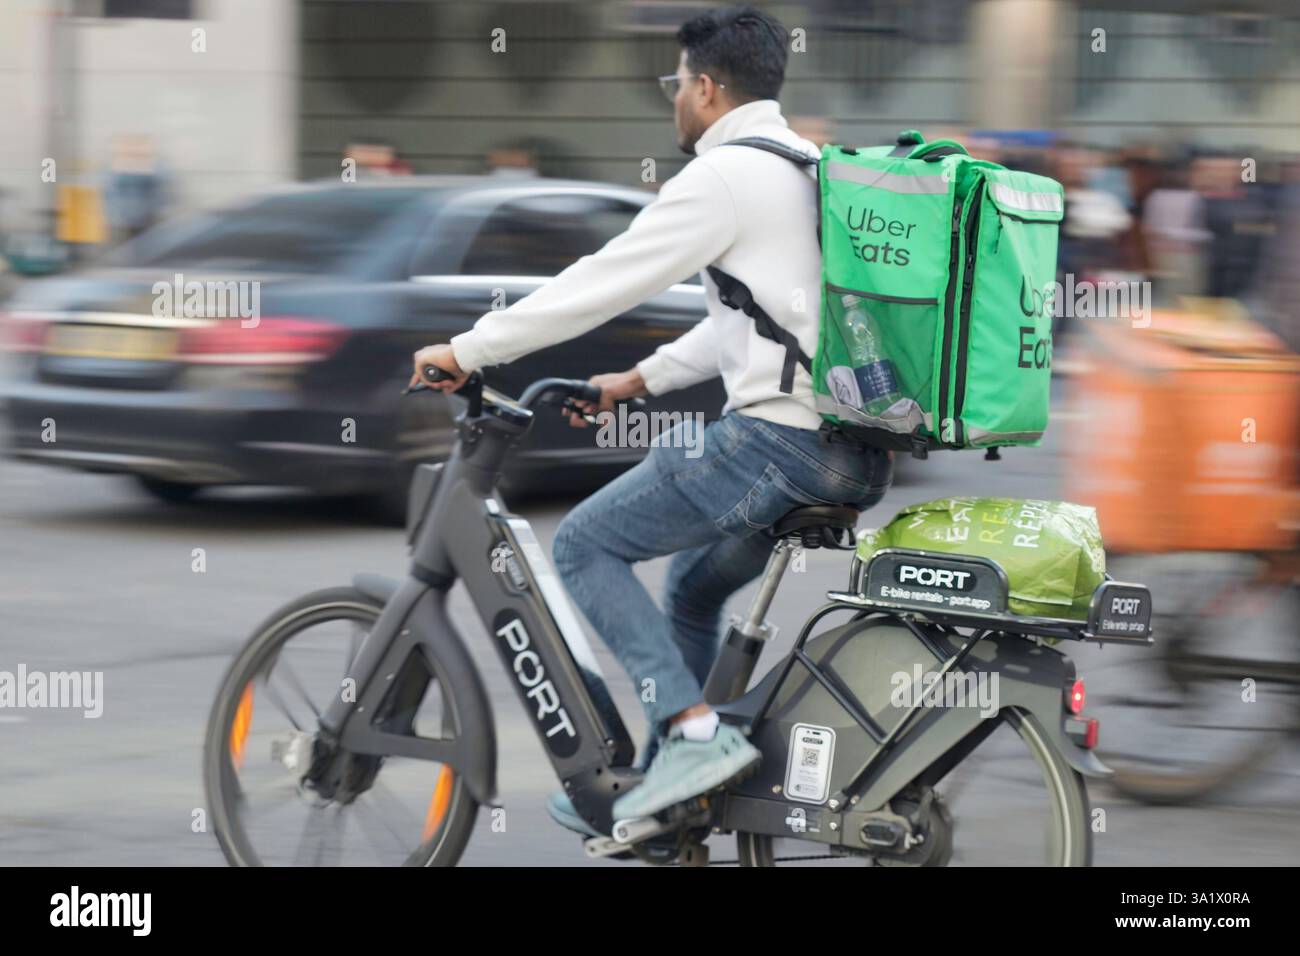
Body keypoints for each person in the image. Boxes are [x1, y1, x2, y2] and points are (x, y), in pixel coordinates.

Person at [410, 5, 892, 829]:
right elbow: (759, 317)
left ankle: (690, 733)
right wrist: (638, 379)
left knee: (585, 544)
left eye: (676, 83)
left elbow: (603, 280)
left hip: (776, 447)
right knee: (693, 595)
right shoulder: (806, 164)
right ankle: (688, 785)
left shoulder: (722, 176)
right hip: (851, 453)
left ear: (705, 88)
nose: (673, 99)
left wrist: (471, 348)